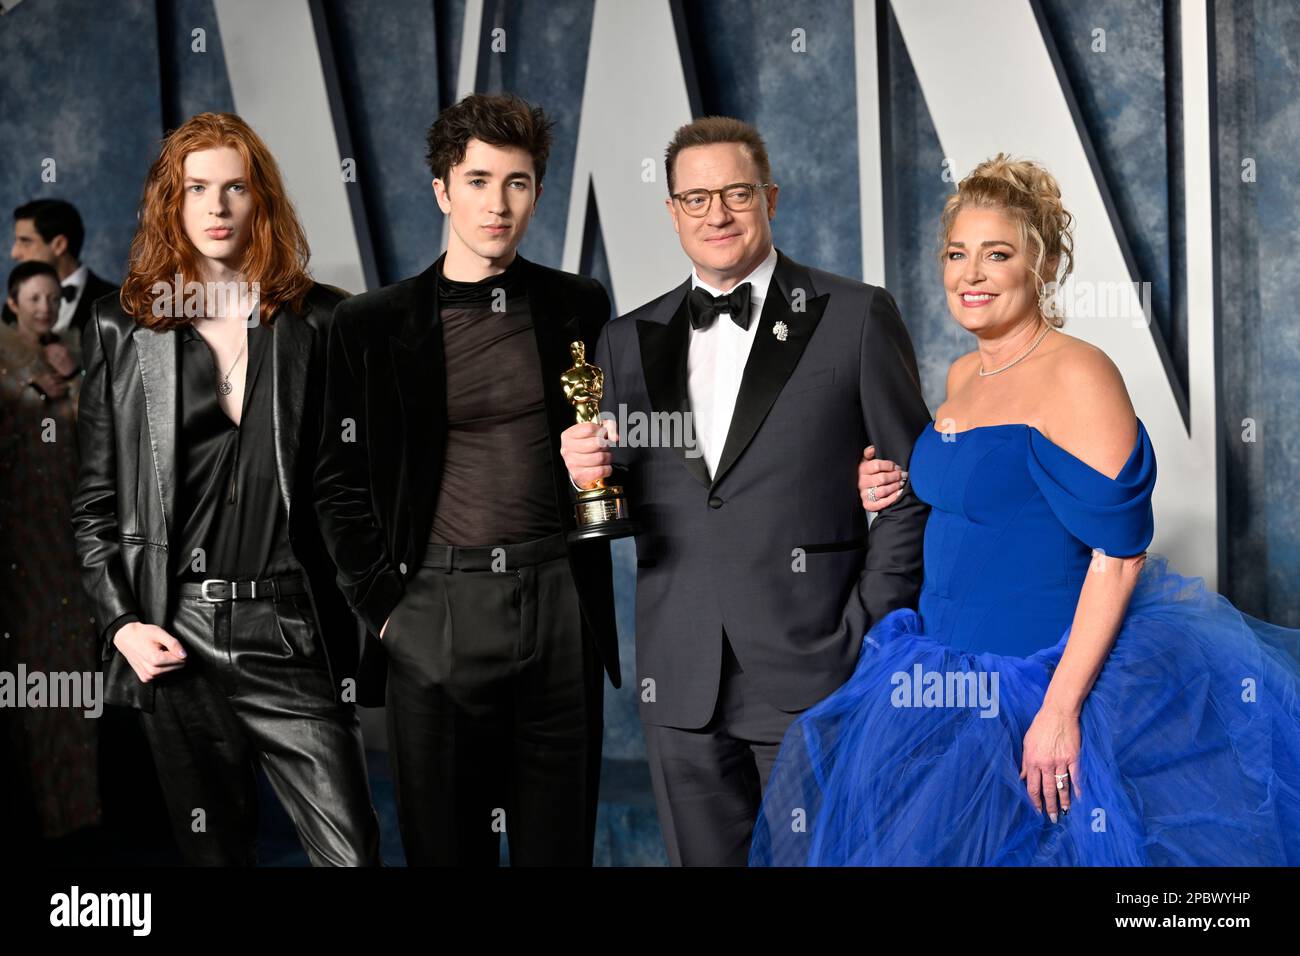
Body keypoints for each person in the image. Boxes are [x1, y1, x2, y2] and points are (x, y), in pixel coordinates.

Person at [752, 154, 1300, 866]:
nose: (970, 274)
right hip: (944, 672)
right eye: (956, 254)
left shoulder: (1079, 372)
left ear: (1040, 266)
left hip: (1041, 683)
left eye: (996, 254)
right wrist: (890, 480)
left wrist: (1059, 711)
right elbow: (977, 493)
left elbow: (1120, 556)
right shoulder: (962, 373)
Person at [559, 116, 932, 865]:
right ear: (671, 212)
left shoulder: (855, 315)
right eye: (694, 199)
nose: (716, 214)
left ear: (770, 195)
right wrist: (585, 473)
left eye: (735, 192)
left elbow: (913, 489)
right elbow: (636, 490)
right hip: (680, 680)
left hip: (816, 664)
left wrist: (864, 632)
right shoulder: (626, 338)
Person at [315, 93, 620, 866]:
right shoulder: (370, 324)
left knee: (561, 852)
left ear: (538, 193)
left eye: (517, 183)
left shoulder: (577, 305)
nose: (498, 203)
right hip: (436, 610)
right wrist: (389, 615)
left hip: (558, 602)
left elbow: (609, 446)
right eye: (478, 181)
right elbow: (336, 483)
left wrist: (609, 456)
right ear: (443, 190)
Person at [71, 111, 380, 866]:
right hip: (179, 633)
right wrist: (120, 625)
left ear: (259, 199)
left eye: (234, 188)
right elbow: (92, 506)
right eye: (196, 188)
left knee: (353, 853)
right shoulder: (122, 327)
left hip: (290, 627)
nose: (216, 207)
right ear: (171, 204)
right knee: (216, 857)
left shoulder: (322, 320)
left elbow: (359, 486)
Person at [0, 261, 100, 845]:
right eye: (32, 297)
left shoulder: (73, 351)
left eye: (51, 297)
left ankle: (79, 814)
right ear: (12, 303)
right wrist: (33, 395)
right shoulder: (4, 360)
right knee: (33, 675)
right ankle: (41, 814)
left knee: (76, 673)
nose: (44, 306)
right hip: (20, 539)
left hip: (71, 533)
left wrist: (77, 379)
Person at [8, 199, 117, 334]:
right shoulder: (15, 303)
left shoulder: (116, 303)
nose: (14, 253)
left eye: (25, 241)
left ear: (59, 245)